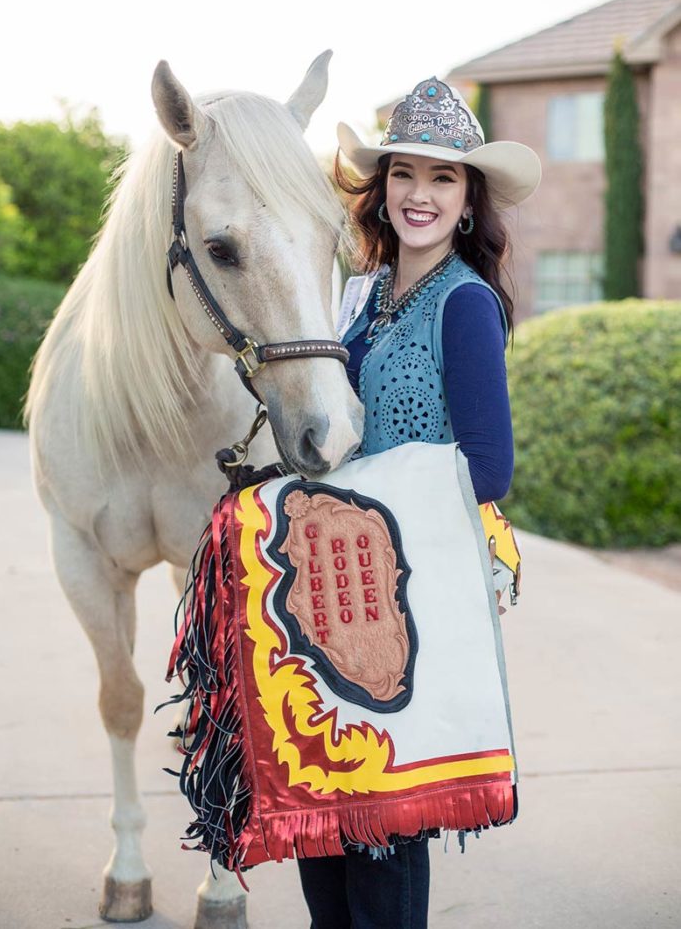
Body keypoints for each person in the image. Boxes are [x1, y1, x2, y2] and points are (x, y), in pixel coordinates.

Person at [296, 77, 541, 929]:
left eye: (444, 179)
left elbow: (489, 466)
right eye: (405, 174)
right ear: (382, 188)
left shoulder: (466, 303)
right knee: (324, 818)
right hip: (333, 589)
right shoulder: (359, 295)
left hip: (413, 598)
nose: (420, 195)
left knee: (386, 824)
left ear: (469, 199)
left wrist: (366, 508)